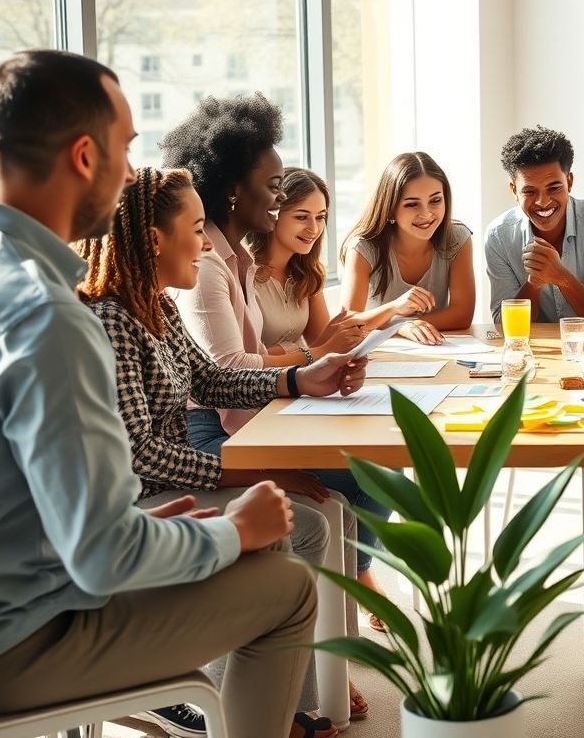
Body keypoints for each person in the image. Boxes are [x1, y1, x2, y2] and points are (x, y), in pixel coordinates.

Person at [0, 49, 332, 738]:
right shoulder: (47, 316)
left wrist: (160, 531)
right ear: (83, 156)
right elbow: (104, 554)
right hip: (25, 639)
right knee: (288, 590)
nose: (132, 171)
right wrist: (231, 530)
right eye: (126, 148)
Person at [77, 166, 367, 737]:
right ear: (156, 239)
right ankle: (225, 695)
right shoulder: (111, 320)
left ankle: (283, 703)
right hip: (140, 499)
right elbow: (141, 454)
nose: (207, 242)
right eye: (197, 227)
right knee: (291, 526)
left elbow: (208, 380)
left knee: (307, 522)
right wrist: (242, 467)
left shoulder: (152, 304)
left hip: (168, 480)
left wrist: (300, 380)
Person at [160, 94, 388, 655]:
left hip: (247, 416)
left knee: (365, 478)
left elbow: (218, 373)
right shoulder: (205, 267)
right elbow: (220, 373)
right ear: (235, 188)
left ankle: (333, 647)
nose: (279, 196)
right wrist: (303, 369)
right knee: (353, 489)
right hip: (214, 434)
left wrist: (304, 376)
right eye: (274, 184)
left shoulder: (232, 259)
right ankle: (320, 659)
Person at [485, 124, 584, 323]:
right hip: (536, 350)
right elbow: (503, 324)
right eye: (529, 192)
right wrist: (534, 282)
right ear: (514, 191)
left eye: (554, 188)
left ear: (569, 182)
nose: (542, 202)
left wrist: (561, 277)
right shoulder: (498, 236)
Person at [339, 151, 475, 345]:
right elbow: (347, 324)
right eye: (412, 204)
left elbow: (462, 314)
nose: (426, 213)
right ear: (391, 208)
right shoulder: (362, 247)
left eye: (435, 200)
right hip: (380, 356)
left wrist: (405, 324)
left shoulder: (457, 238)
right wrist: (397, 318)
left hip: (437, 350)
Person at [252, 167, 363, 358]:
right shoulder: (242, 272)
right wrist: (302, 350)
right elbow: (243, 359)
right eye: (301, 217)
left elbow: (322, 344)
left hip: (298, 381)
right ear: (272, 215)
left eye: (320, 217)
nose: (314, 228)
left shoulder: (307, 272)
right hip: (254, 384)